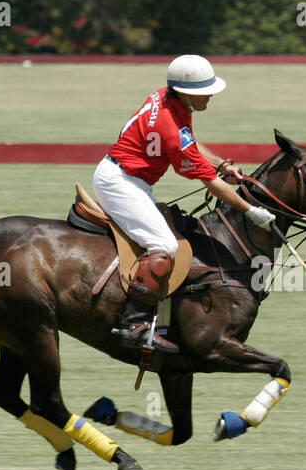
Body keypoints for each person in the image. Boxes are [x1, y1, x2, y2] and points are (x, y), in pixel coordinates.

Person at [93, 54, 275, 353]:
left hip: (128, 178)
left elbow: (190, 141)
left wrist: (221, 164)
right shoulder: (170, 126)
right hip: (120, 182)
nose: (211, 96)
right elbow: (213, 185)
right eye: (206, 91)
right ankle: (134, 325)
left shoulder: (168, 98)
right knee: (166, 246)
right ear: (188, 91)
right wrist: (251, 211)